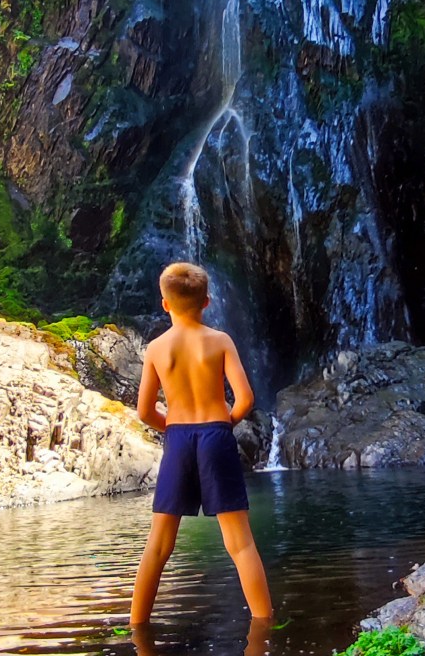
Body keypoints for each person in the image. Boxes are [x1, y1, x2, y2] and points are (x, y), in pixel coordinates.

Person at [130, 261, 272, 626]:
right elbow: (245, 399)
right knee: (239, 542)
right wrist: (224, 424)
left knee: (159, 544)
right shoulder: (220, 341)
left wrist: (173, 429)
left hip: (178, 438)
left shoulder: (157, 348)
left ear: (165, 304)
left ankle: (136, 626)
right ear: (207, 301)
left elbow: (144, 410)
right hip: (216, 434)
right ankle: (264, 623)